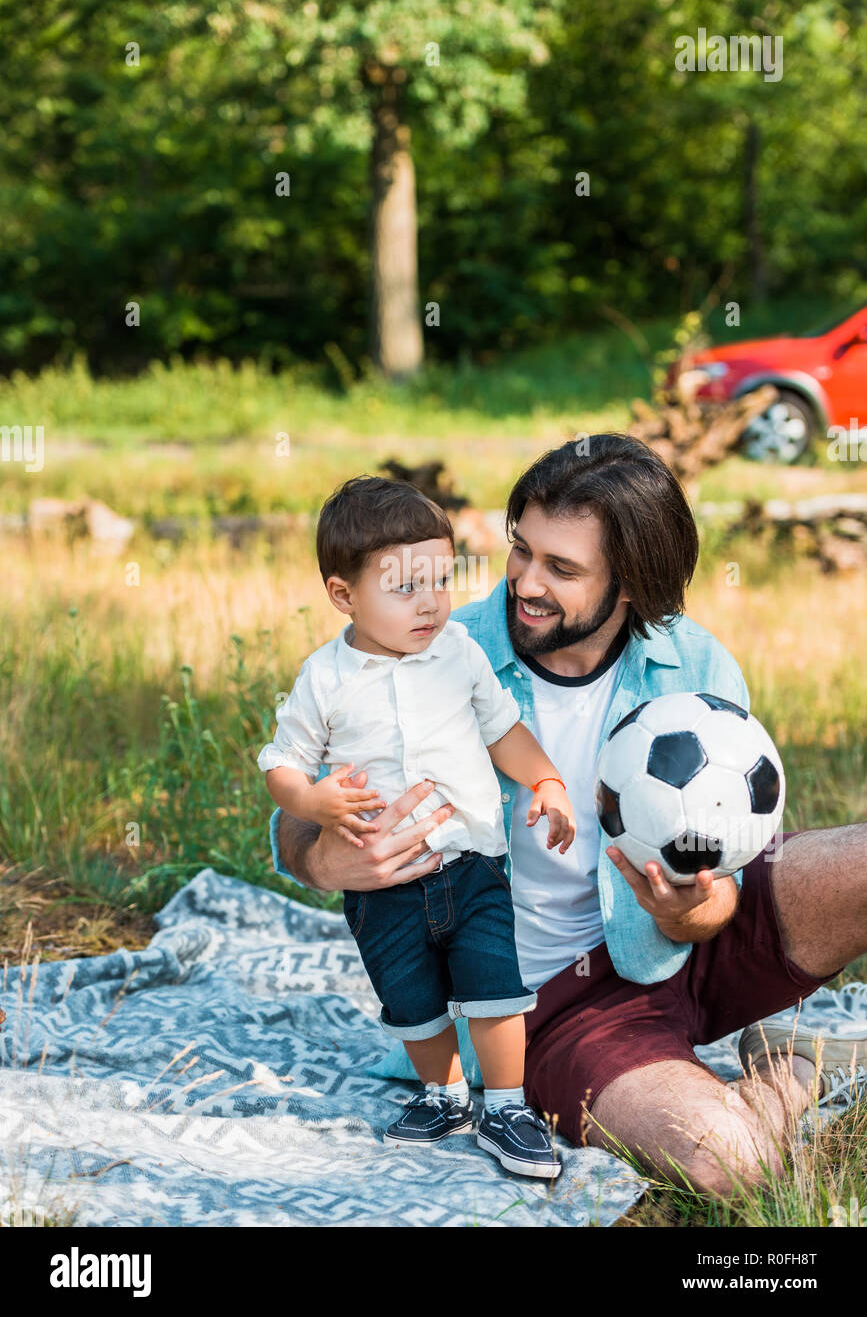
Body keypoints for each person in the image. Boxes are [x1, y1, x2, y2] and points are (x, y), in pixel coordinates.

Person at [271, 436, 867, 1197]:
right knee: (730, 1165)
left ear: (630, 586)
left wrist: (700, 907)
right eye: (521, 549)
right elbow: (294, 821)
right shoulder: (435, 650)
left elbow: (727, 869)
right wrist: (322, 858)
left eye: (561, 568)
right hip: (552, 1002)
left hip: (681, 939)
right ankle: (790, 1072)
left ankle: (742, 1039)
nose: (523, 582)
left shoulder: (694, 663)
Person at [258, 475, 576, 1178]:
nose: (430, 601)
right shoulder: (324, 678)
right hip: (383, 882)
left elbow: (503, 730)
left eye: (440, 579)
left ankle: (507, 1104)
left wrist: (546, 781)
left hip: (470, 863)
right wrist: (312, 804)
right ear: (344, 595)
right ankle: (443, 1093)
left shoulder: (457, 652)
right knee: (411, 1003)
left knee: (495, 989)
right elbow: (281, 766)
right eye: (405, 587)